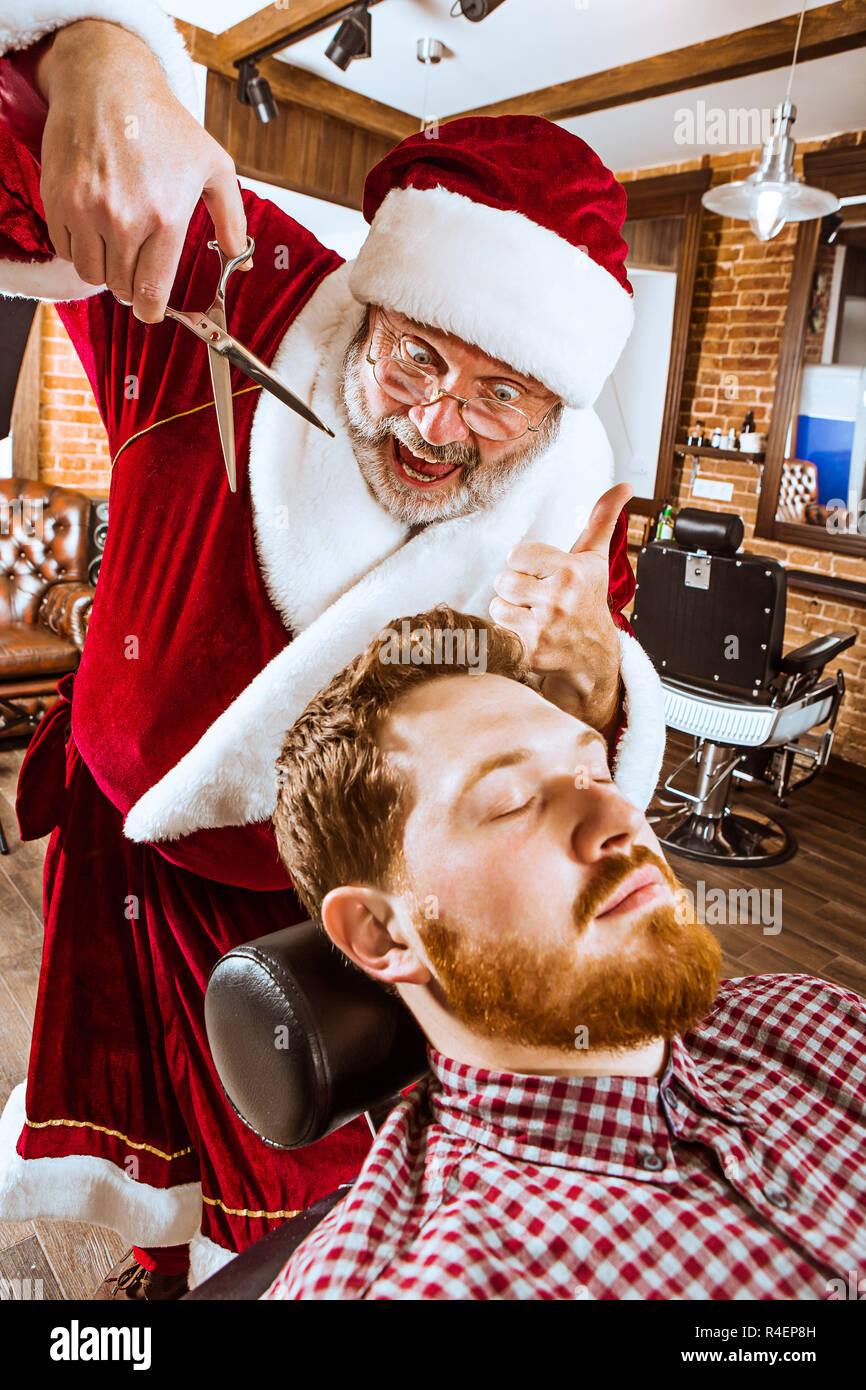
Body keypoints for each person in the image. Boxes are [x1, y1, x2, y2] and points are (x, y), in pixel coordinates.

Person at [0, 4, 664, 1293]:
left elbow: (584, 725)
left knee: (292, 1177)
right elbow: (26, 156)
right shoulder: (240, 281)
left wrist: (587, 670)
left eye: (499, 393)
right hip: (122, 842)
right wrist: (96, 53)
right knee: (137, 1109)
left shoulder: (568, 503)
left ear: (553, 401)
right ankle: (149, 1264)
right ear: (376, 303)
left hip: (318, 910)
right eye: (415, 354)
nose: (436, 422)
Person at [264, 607, 866, 1300]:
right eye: (513, 802)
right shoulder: (415, 1284)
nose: (621, 819)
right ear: (381, 932)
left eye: (597, 774)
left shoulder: (823, 1021)